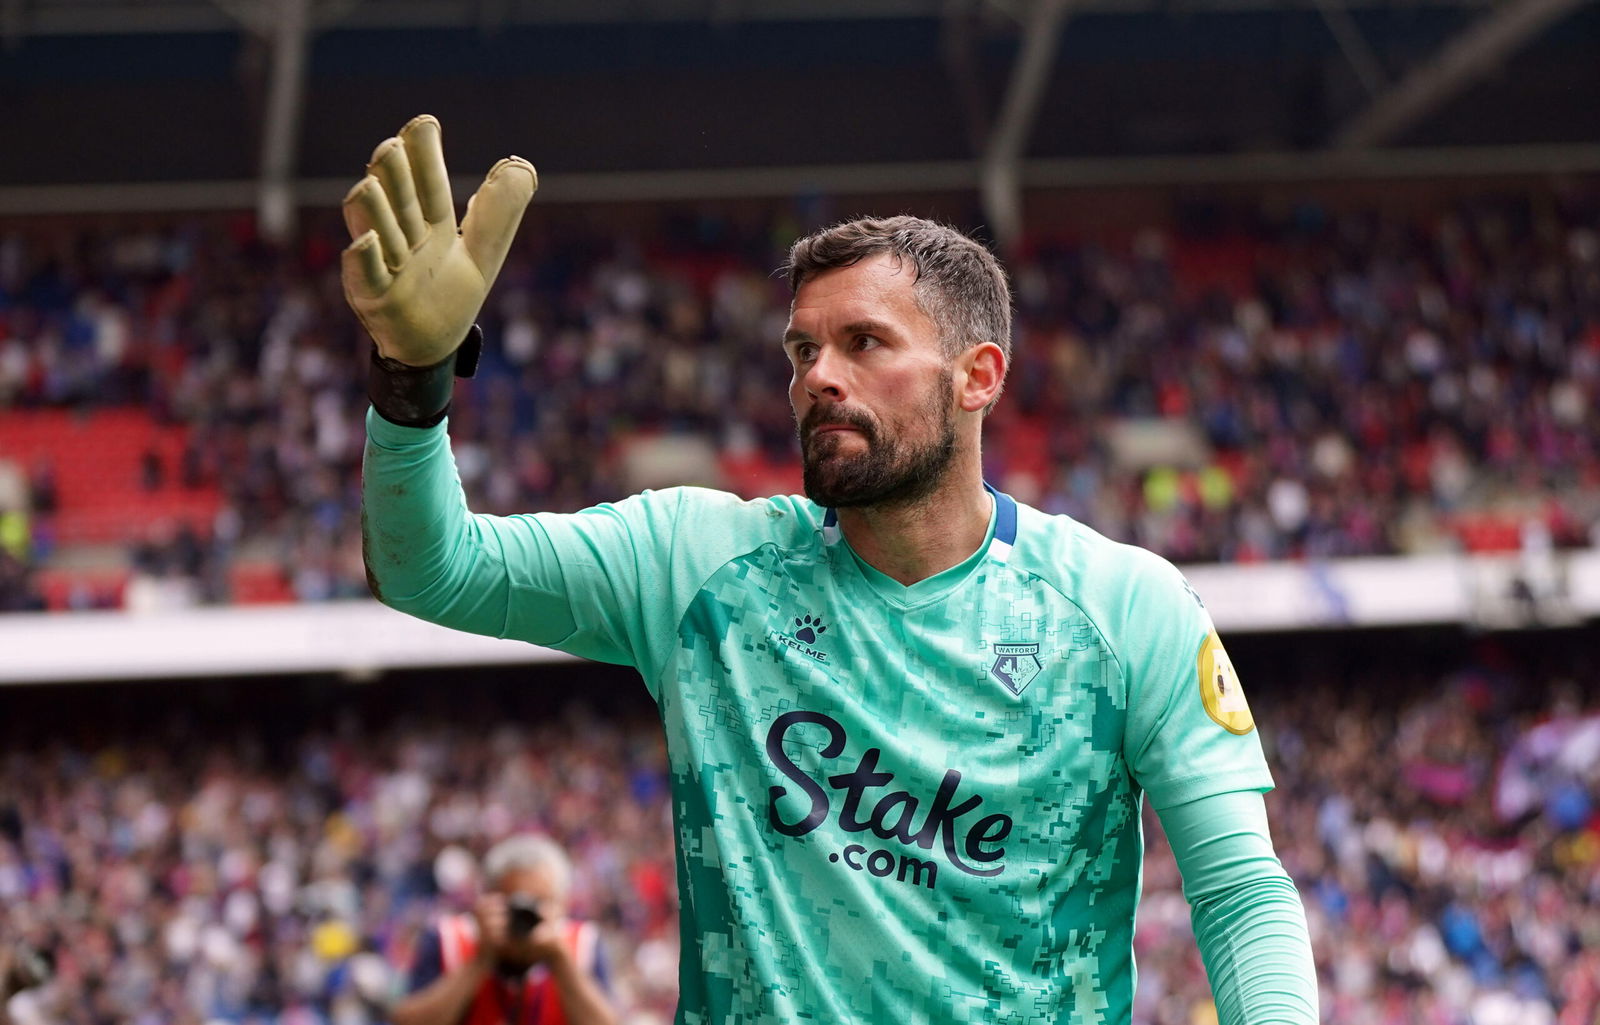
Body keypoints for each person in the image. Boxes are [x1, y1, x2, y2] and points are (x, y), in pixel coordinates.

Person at [347, 114, 1319, 1024]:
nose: (816, 375)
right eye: (802, 349)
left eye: (863, 343)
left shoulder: (1120, 607)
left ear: (977, 375)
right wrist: (411, 382)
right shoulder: (699, 567)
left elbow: (1239, 892)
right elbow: (433, 568)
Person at [391, 835, 616, 1025]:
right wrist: (480, 959)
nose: (527, 916)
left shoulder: (581, 946)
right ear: (488, 898)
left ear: (563, 906)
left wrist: (560, 960)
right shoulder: (449, 940)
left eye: (541, 903)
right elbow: (406, 1020)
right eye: (516, 904)